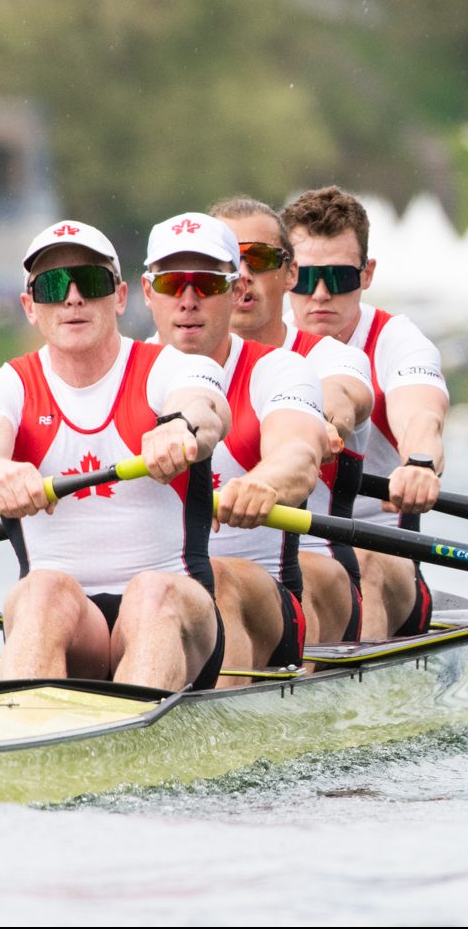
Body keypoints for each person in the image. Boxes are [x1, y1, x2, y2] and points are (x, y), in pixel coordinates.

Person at [0, 220, 231, 691]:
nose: (73, 298)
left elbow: (206, 410)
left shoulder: (171, 366)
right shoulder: (3, 386)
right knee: (41, 590)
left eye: (93, 282)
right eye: (54, 285)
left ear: (120, 297)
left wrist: (179, 430)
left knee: (150, 593)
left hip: (177, 613)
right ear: (30, 307)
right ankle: (19, 737)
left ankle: (128, 746)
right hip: (63, 619)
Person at [140, 213, 330, 680]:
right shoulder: (124, 371)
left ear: (232, 289)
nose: (187, 300)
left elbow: (299, 456)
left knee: (217, 578)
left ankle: (216, 729)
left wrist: (262, 483)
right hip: (148, 602)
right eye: (171, 284)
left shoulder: (279, 370)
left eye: (204, 284)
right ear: (148, 292)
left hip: (266, 599)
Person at [282, 186, 448, 639]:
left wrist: (417, 464)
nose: (318, 295)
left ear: (367, 273)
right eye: (303, 277)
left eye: (337, 278)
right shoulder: (261, 336)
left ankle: (354, 701)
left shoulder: (396, 340)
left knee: (363, 562)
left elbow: (422, 417)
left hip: (380, 556)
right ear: (284, 273)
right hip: (282, 555)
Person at [209, 196, 373, 644]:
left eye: (259, 259)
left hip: (314, 569)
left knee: (293, 573)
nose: (242, 275)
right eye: (227, 261)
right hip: (184, 578)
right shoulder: (158, 361)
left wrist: (320, 423)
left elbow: (342, 397)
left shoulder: (330, 358)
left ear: (289, 274)